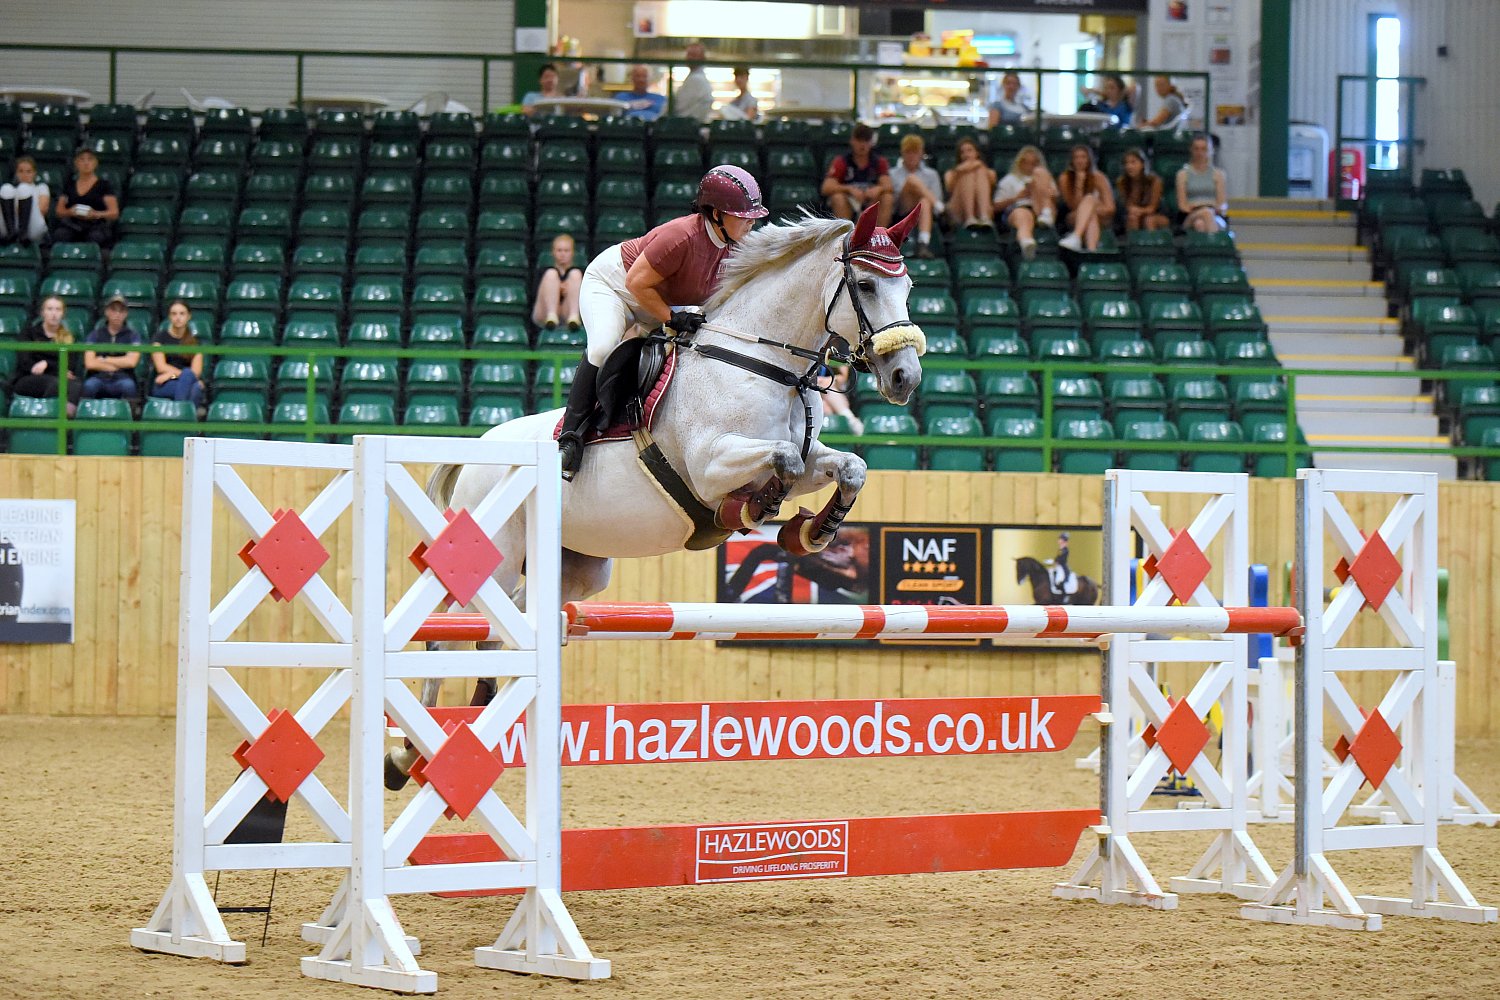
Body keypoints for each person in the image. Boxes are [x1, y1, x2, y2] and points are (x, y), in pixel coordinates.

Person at [558, 165, 769, 479]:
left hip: (659, 299)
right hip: (615, 286)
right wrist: (672, 317)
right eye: (743, 215)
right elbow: (636, 284)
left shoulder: (736, 246)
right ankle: (570, 437)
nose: (752, 221)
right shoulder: (681, 236)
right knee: (603, 346)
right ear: (715, 215)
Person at [12, 295, 83, 415]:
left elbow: (69, 366)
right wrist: (55, 368)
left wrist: (46, 363)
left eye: (58, 309)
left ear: (63, 313)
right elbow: (26, 363)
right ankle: (48, 417)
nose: (54, 314)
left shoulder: (68, 337)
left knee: (77, 385)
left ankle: (66, 422)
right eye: (50, 309)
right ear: (42, 312)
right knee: (56, 383)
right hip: (27, 378)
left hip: (57, 378)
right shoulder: (29, 334)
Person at [822, 123, 893, 228]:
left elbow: (889, 186)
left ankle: (879, 236)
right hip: (849, 201)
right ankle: (847, 236)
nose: (863, 145)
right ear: (852, 141)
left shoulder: (879, 162)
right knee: (837, 198)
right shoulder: (841, 161)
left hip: (871, 201)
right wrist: (848, 189)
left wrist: (878, 189)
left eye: (866, 141)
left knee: (887, 197)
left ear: (871, 143)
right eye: (859, 141)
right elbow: (826, 187)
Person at [993, 145, 1057, 261]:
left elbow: (1055, 197)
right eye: (1026, 162)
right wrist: (1017, 198)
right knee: (1023, 215)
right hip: (1020, 207)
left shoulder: (1045, 177)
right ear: (1020, 163)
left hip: (1041, 208)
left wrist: (1041, 191)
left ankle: (1045, 213)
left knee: (1040, 174)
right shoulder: (1009, 180)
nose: (1030, 166)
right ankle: (1026, 242)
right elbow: (996, 206)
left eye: (1034, 163)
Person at [888, 134, 943, 259]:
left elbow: (937, 195)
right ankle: (942, 208)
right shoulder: (893, 173)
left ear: (921, 153)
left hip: (925, 211)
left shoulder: (932, 174)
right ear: (902, 153)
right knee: (912, 180)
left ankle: (923, 244)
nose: (911, 156)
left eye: (915, 152)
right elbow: (893, 202)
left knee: (924, 201)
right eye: (908, 152)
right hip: (902, 210)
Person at [52, 147, 120, 248]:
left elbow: (114, 213)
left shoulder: (104, 185)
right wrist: (70, 212)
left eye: (90, 159)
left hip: (96, 225)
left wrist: (95, 214)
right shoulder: (69, 185)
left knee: (95, 237)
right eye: (82, 159)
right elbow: (59, 211)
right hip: (73, 224)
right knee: (60, 235)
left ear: (95, 163)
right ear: (76, 163)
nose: (86, 163)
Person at [82, 294, 143, 402]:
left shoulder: (133, 335)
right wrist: (116, 365)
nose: (117, 314)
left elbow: (131, 362)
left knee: (129, 386)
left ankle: (131, 417)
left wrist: (105, 359)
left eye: (121, 311)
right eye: (113, 310)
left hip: (123, 377)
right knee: (89, 386)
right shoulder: (95, 334)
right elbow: (89, 363)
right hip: (98, 377)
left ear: (126, 314)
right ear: (107, 312)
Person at [1056, 144, 1116, 252]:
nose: (1080, 160)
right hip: (1074, 216)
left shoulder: (1099, 177)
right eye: (1076, 157)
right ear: (1072, 160)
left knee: (1090, 200)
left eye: (1083, 157)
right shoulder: (1065, 178)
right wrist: (1079, 184)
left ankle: (1076, 237)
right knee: (1090, 213)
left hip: (1101, 215)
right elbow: (1072, 206)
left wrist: (1091, 208)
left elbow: (1110, 208)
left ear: (1089, 159)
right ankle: (1092, 251)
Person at [150, 299, 206, 410]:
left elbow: (196, 372)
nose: (178, 317)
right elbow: (161, 367)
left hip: (173, 378)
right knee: (195, 386)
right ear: (170, 317)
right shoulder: (159, 338)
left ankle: (179, 415)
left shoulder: (195, 342)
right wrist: (183, 375)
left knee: (195, 387)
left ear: (188, 316)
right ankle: (185, 421)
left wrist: (172, 374)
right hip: (164, 384)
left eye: (182, 314)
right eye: (174, 314)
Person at [1176, 134, 1229, 233]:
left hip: (1214, 215)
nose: (1200, 153)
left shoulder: (1219, 174)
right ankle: (1214, 247)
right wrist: (1203, 207)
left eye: (1204, 149)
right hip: (1191, 215)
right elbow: (1182, 205)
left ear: (1211, 151)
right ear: (1191, 150)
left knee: (1200, 224)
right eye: (1196, 149)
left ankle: (1204, 248)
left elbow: (1222, 203)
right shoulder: (1182, 174)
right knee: (1205, 212)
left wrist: (1213, 209)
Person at [533, 233, 584, 332]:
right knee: (551, 274)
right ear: (553, 252)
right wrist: (555, 290)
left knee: (575, 274)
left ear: (572, 252)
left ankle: (574, 317)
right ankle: (551, 316)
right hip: (543, 312)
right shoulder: (542, 272)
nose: (562, 254)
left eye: (566, 250)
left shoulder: (580, 273)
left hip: (567, 311)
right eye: (559, 250)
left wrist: (569, 290)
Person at [943, 135, 996, 229]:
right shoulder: (951, 173)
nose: (966, 155)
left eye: (969, 150)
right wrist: (959, 171)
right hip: (958, 210)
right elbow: (949, 188)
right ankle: (969, 217)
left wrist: (978, 165)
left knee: (979, 171)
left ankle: (984, 217)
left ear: (977, 153)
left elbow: (992, 181)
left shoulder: (988, 172)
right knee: (967, 175)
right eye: (962, 152)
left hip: (982, 210)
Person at [1115, 148, 1170, 232]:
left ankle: (1152, 244)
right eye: (1126, 163)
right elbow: (1128, 206)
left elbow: (1152, 208)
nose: (1129, 166)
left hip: (1157, 214)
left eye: (1133, 162)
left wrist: (1139, 211)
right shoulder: (1121, 182)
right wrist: (1134, 211)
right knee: (1132, 218)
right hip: (1133, 215)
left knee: (1148, 220)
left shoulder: (1155, 181)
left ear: (1142, 164)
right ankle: (1133, 243)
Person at [0, 156, 50, 246]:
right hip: (12, 225)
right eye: (21, 171)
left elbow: (42, 210)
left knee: (24, 188)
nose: (24, 175)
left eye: (28, 171)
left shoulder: (41, 188)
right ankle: (11, 233)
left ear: (34, 173)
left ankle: (23, 234)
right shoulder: (12, 191)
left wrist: (19, 209)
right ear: (16, 173)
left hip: (32, 226)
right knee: (5, 188)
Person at [674, 43, 713, 122]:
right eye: (688, 55)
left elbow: (681, 107)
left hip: (687, 126)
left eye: (693, 55)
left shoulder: (697, 80)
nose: (689, 58)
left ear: (702, 58)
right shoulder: (693, 77)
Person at [821, 365, 863, 435]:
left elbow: (843, 377)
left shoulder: (837, 355)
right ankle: (850, 420)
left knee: (829, 391)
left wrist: (829, 380)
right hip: (814, 395)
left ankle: (849, 421)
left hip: (835, 391)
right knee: (824, 406)